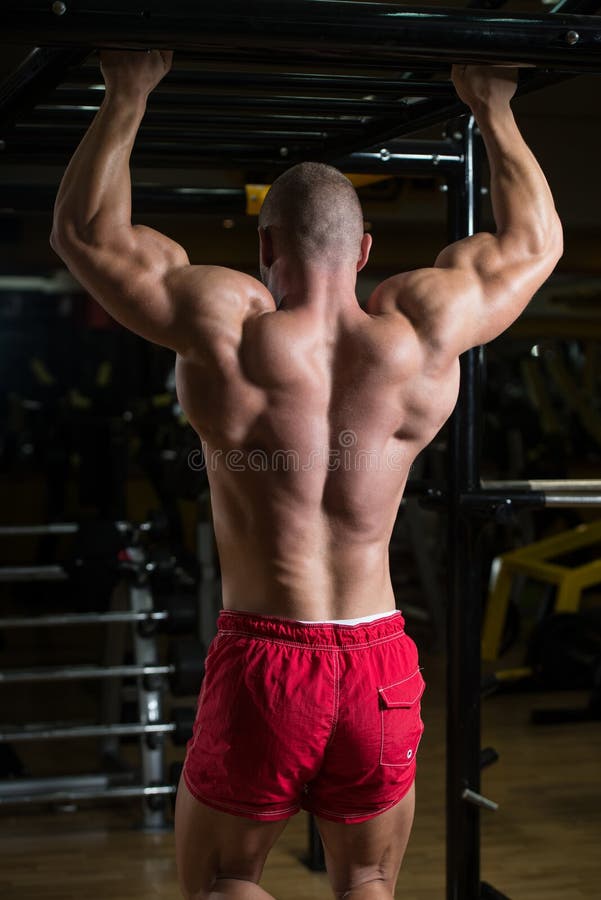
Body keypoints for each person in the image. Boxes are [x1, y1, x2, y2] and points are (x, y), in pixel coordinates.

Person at [50, 50, 562, 900]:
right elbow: (535, 243)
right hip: (378, 661)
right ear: (362, 250)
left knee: (224, 881)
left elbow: (85, 233)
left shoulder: (226, 327)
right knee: (368, 882)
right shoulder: (421, 333)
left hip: (264, 658)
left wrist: (127, 91)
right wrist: (492, 105)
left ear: (264, 247)